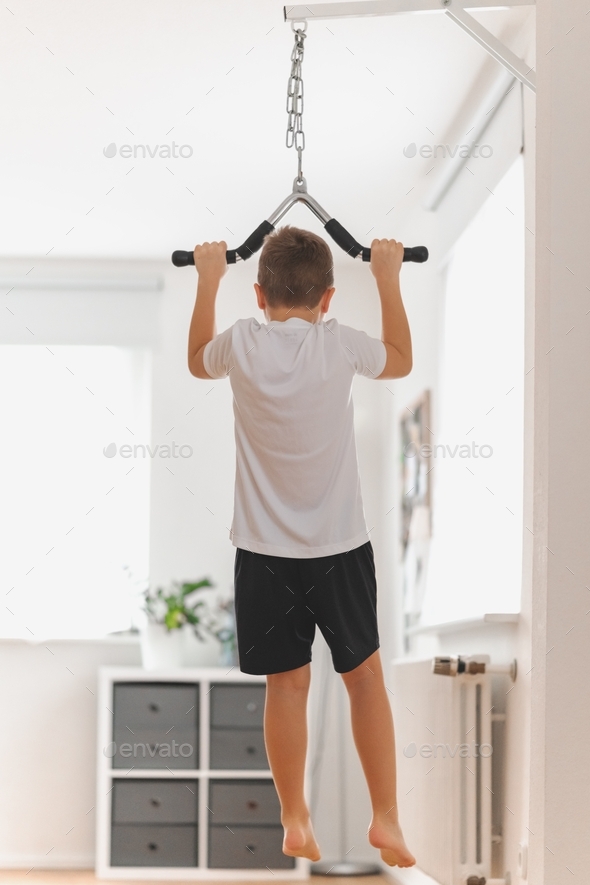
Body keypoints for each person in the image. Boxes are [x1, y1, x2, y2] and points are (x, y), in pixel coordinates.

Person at [188, 225, 416, 869]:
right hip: (339, 547)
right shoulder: (338, 343)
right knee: (364, 679)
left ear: (258, 296)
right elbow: (399, 356)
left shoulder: (239, 343)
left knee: (286, 685)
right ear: (328, 298)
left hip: (263, 551)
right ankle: (387, 817)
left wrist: (208, 281)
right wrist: (389, 277)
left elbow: (196, 354)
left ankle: (294, 815)